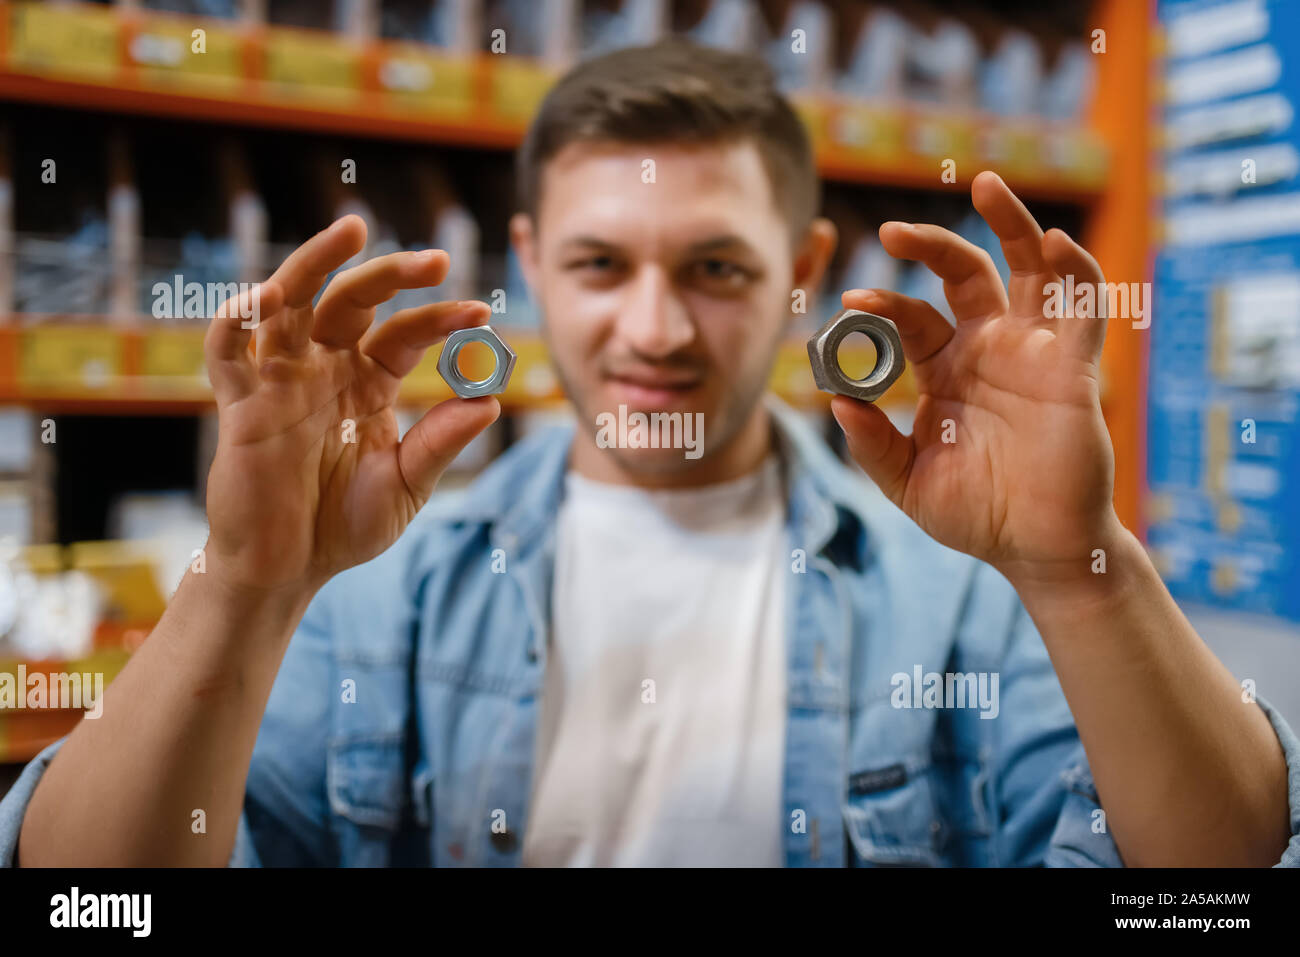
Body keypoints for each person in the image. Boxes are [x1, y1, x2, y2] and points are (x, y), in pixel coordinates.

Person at [4, 39, 1297, 868]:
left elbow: (1215, 882)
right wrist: (244, 582)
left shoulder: (959, 597)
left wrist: (1085, 569)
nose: (657, 328)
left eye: (717, 268)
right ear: (530, 269)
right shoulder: (380, 592)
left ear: (800, 274)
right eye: (600, 265)